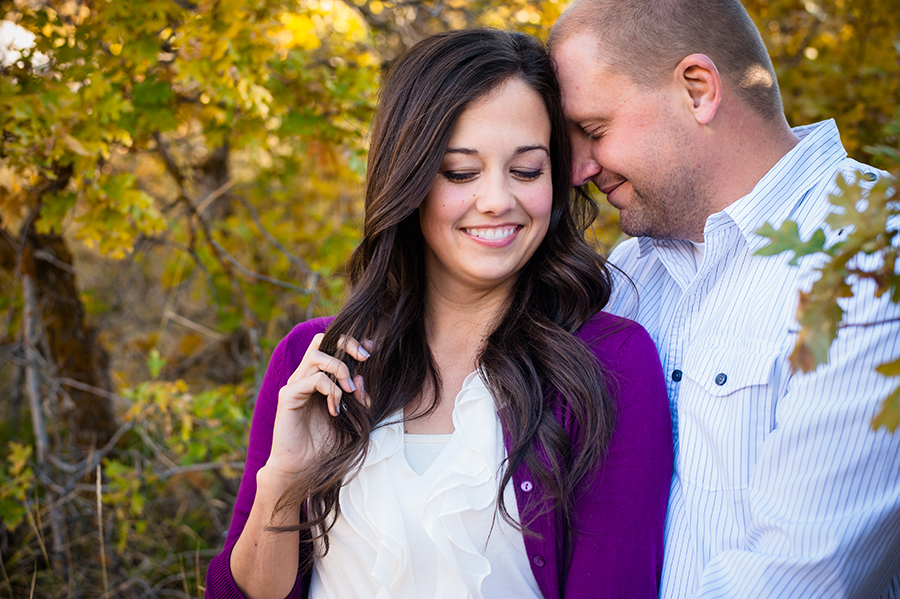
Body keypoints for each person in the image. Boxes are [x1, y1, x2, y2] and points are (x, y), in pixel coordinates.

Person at [204, 28, 672, 599]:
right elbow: (242, 593)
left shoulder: (611, 361)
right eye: (460, 172)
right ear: (410, 179)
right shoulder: (315, 360)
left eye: (526, 170)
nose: (498, 199)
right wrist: (284, 477)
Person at [548, 1, 900, 598]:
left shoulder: (873, 253)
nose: (578, 168)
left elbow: (804, 571)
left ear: (698, 89)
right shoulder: (629, 274)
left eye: (595, 130)